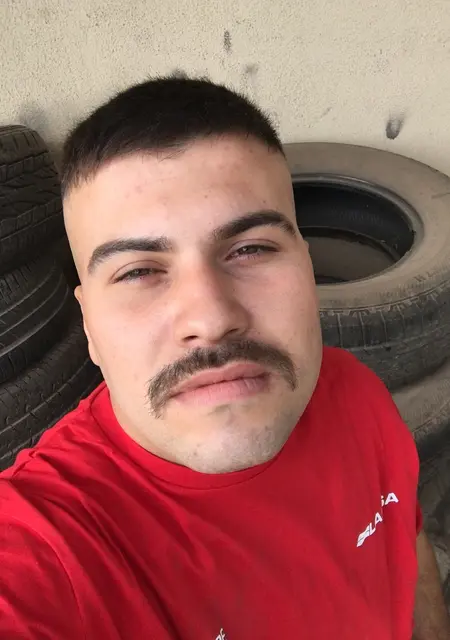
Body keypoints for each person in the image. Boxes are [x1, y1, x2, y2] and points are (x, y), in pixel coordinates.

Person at [0, 76, 448, 640]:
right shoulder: (45, 552)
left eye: (251, 248)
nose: (211, 319)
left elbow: (406, 548)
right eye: (139, 271)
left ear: (308, 270)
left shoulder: (357, 393)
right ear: (88, 324)